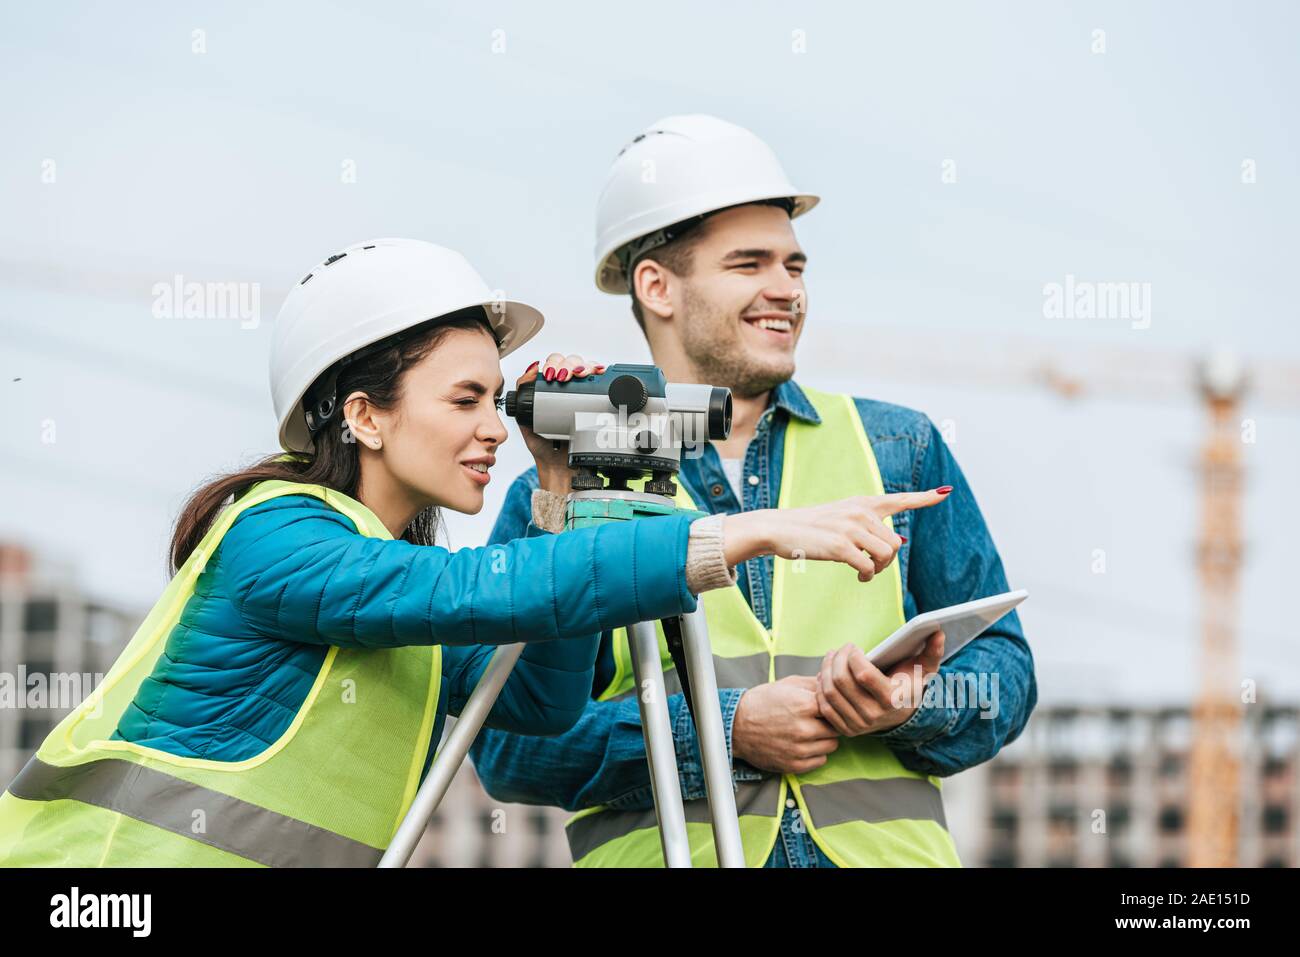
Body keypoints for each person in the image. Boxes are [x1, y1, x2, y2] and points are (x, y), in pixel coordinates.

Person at [0, 237, 908, 867]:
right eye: (464, 400)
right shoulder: (274, 533)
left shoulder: (396, 584)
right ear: (365, 414)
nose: (492, 430)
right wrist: (742, 531)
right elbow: (483, 586)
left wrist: (558, 495)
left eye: (498, 401)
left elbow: (538, 703)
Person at [471, 116, 1038, 868]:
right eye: (750, 264)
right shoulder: (564, 482)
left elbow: (1005, 676)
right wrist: (722, 730)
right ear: (657, 286)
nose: (786, 290)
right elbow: (510, 746)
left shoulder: (899, 447)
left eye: (795, 266)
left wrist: (911, 706)